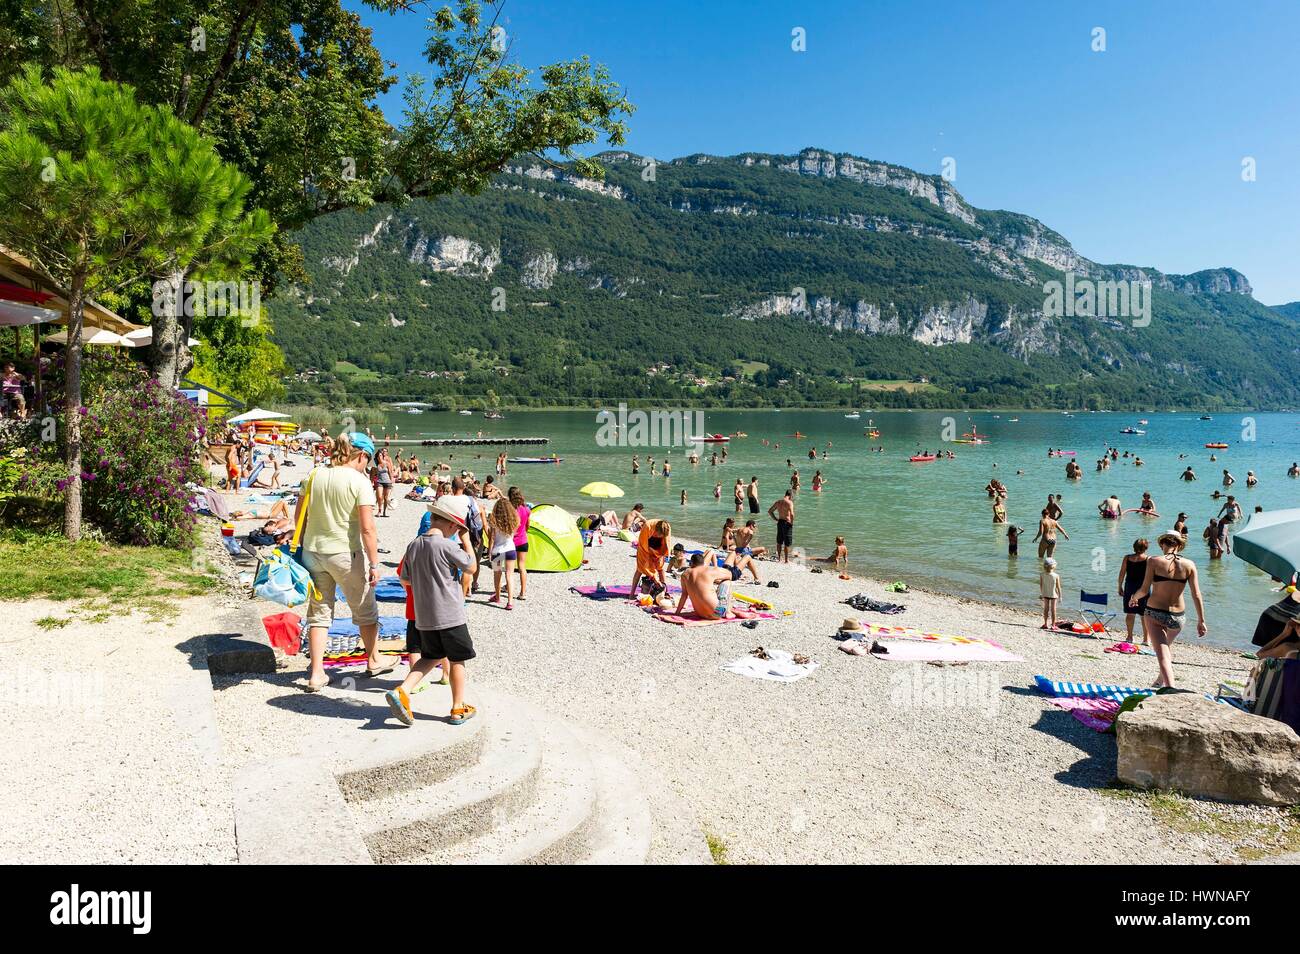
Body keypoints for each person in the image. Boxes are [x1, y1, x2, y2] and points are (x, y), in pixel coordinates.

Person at [296, 433, 382, 692]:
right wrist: (375, 564)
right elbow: (368, 529)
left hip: (313, 551)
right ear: (362, 455)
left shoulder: (314, 475)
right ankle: (374, 659)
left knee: (319, 612)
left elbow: (300, 515)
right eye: (368, 460)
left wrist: (300, 550)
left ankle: (317, 674)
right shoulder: (359, 481)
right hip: (345, 554)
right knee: (365, 607)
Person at [387, 500, 477, 726]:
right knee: (458, 659)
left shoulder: (414, 544)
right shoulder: (447, 546)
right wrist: (466, 539)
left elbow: (405, 579)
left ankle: (403, 690)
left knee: (431, 656)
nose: (456, 532)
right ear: (450, 525)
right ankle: (458, 707)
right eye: (456, 528)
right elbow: (472, 567)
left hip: (424, 616)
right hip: (450, 615)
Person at [1128, 531, 1207, 689]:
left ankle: (1170, 689)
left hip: (1155, 613)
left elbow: (1144, 589)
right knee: (1165, 648)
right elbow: (1196, 594)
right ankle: (1159, 681)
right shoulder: (1190, 565)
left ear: (1163, 544)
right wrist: (1201, 620)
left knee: (1163, 655)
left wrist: (1134, 598)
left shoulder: (1154, 561)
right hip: (1178, 617)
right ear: (1179, 545)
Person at [676, 551, 738, 620]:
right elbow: (730, 575)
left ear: (691, 563)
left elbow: (684, 595)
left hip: (700, 614)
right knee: (727, 582)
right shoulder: (708, 571)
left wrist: (677, 612)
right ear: (703, 563)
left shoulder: (685, 574)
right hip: (717, 613)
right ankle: (728, 612)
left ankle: (726, 610)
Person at [486, 497, 520, 609]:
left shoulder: (493, 519)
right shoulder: (514, 520)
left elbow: (492, 538)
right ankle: (510, 602)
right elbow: (513, 535)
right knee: (510, 575)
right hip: (510, 549)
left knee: (497, 574)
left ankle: (498, 597)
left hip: (497, 551)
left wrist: (489, 551)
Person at [1117, 539, 1150, 644]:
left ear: (1134, 547)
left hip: (1129, 587)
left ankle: (1130, 637)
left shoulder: (1127, 558)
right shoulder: (1148, 559)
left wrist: (1119, 586)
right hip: (1143, 589)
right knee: (1144, 614)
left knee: (1130, 613)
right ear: (1146, 548)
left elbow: (1122, 573)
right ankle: (1146, 639)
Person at [632, 519, 672, 604]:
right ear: (655, 530)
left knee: (660, 568)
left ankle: (663, 591)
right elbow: (643, 545)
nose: (659, 536)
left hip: (658, 546)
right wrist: (654, 577)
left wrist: (659, 555)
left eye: (661, 535)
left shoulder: (667, 528)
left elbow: (666, 545)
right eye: (658, 534)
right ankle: (631, 594)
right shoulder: (647, 526)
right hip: (645, 546)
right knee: (640, 569)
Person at [509, 486, 531, 600]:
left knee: (510, 568)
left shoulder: (511, 510)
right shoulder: (527, 509)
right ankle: (522, 593)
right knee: (522, 566)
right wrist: (522, 533)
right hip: (523, 540)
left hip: (511, 542)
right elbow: (528, 526)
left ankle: (509, 588)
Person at [768, 491, 795, 563]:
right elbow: (792, 514)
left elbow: (770, 511)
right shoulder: (789, 503)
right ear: (790, 495)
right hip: (787, 523)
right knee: (787, 542)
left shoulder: (778, 502)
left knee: (779, 541)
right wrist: (791, 523)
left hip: (780, 522)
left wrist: (776, 519)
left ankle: (779, 558)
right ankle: (786, 560)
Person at [1039, 557, 1061, 630]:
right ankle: (1053, 625)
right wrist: (1060, 596)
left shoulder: (1042, 574)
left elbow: (1041, 585)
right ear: (1053, 566)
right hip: (1053, 595)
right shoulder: (1056, 575)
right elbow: (1058, 587)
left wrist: (1042, 594)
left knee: (1046, 609)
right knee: (1053, 610)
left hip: (1045, 594)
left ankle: (1045, 624)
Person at [373, 447, 394, 517]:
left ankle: (384, 512)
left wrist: (392, 481)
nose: (379, 457)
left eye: (380, 455)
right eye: (378, 456)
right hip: (379, 482)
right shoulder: (377, 464)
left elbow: (390, 472)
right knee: (379, 496)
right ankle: (379, 510)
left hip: (387, 482)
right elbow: (373, 472)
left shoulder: (387, 463)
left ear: (382, 456)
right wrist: (372, 480)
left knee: (385, 498)